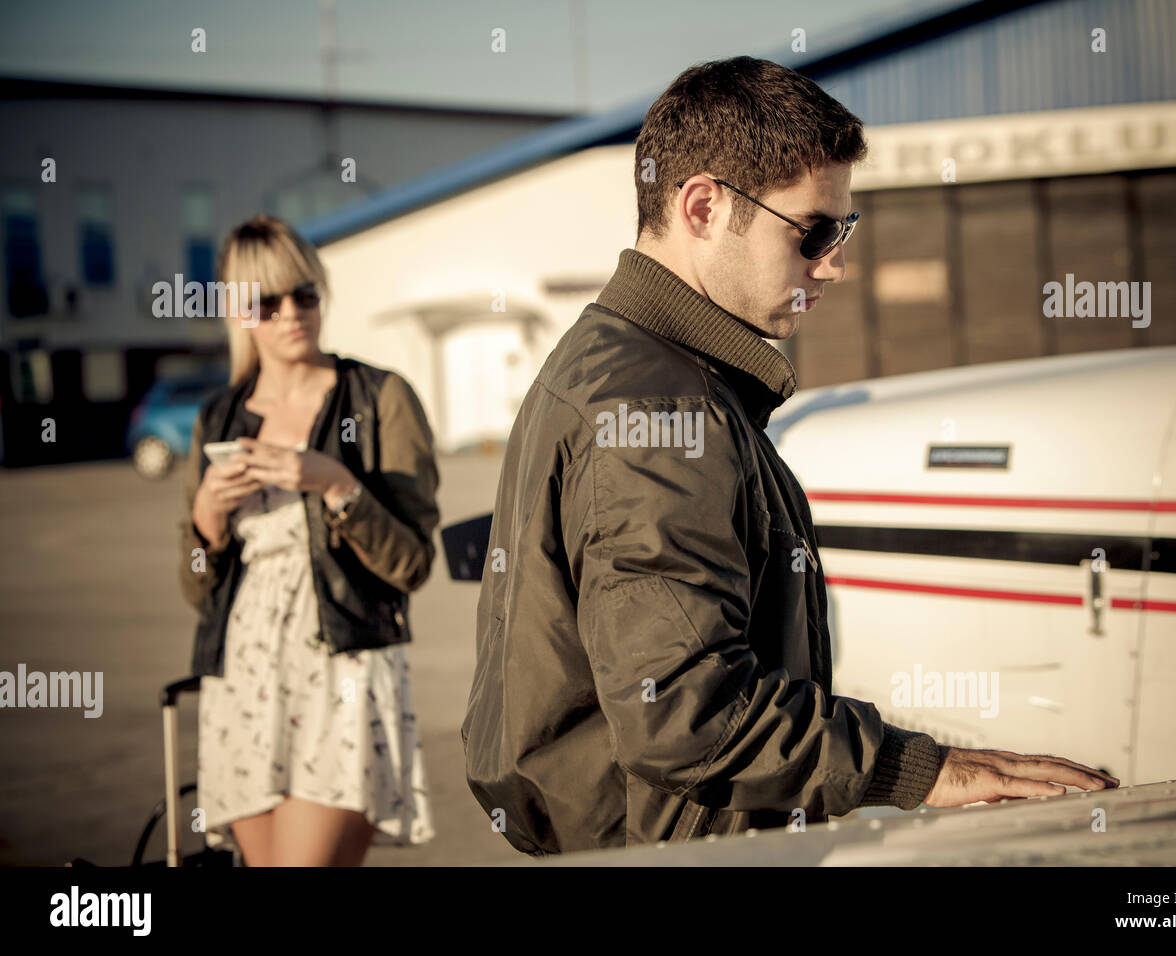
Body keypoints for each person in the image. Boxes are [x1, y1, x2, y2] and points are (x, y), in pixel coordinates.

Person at [462, 57, 1118, 856]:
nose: (835, 265)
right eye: (812, 231)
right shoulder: (659, 408)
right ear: (703, 207)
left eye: (843, 232)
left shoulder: (622, 362)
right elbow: (682, 712)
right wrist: (916, 770)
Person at [179, 214, 440, 865]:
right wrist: (207, 519)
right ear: (240, 313)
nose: (291, 312)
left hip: (342, 668)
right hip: (241, 679)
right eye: (266, 302)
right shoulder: (219, 416)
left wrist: (335, 484)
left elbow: (412, 563)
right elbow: (192, 587)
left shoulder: (378, 398)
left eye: (305, 293)